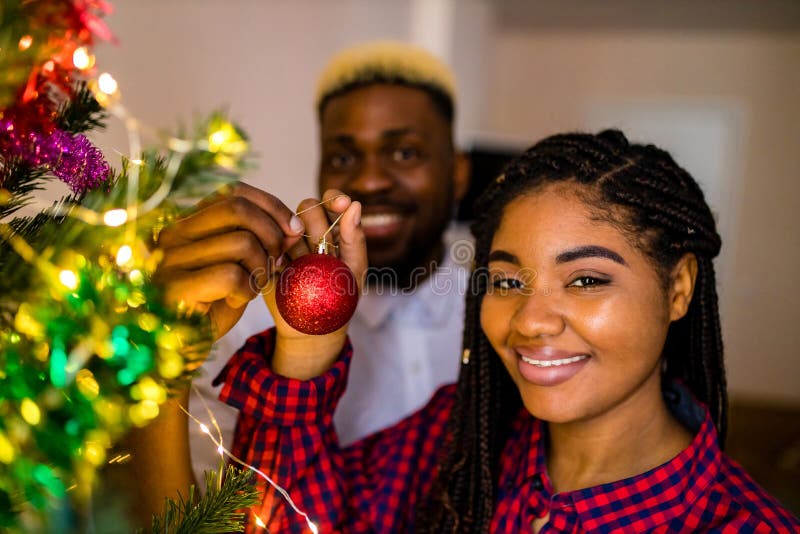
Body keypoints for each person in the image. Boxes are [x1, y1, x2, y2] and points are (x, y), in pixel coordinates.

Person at [208, 130, 799, 532]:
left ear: (678, 289)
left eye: (587, 280)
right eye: (508, 282)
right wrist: (307, 345)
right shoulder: (454, 441)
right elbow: (273, 519)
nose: (531, 322)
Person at [187, 41, 470, 479]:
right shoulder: (252, 321)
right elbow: (204, 500)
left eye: (405, 153)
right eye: (343, 156)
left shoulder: (506, 314)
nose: (370, 180)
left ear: (457, 173)